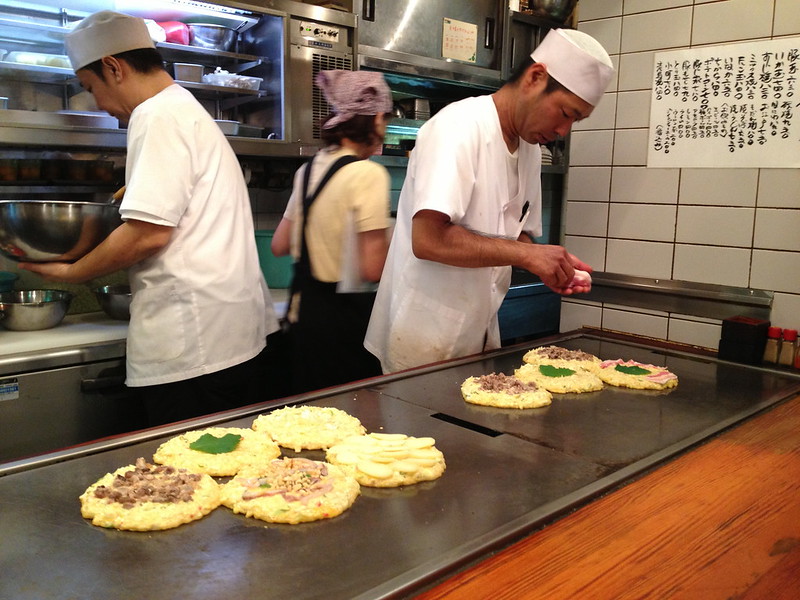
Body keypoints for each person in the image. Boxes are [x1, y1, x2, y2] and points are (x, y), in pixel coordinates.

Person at [20, 11, 279, 424]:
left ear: (113, 68)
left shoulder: (155, 115)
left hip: (194, 347)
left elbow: (146, 236)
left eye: (90, 89)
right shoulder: (185, 111)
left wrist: (71, 274)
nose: (101, 107)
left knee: (188, 476)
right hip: (225, 336)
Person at [364, 28, 614, 373]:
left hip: (479, 330)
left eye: (576, 120)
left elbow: (517, 232)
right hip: (422, 337)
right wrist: (527, 254)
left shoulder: (529, 148)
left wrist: (546, 263)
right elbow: (429, 240)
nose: (563, 131)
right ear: (535, 77)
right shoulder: (459, 127)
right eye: (566, 113)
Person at [271, 70, 392, 393]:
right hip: (344, 324)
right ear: (376, 117)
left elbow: (279, 244)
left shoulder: (308, 169)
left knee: (309, 422)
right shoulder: (368, 174)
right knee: (352, 423)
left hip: (305, 318)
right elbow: (372, 268)